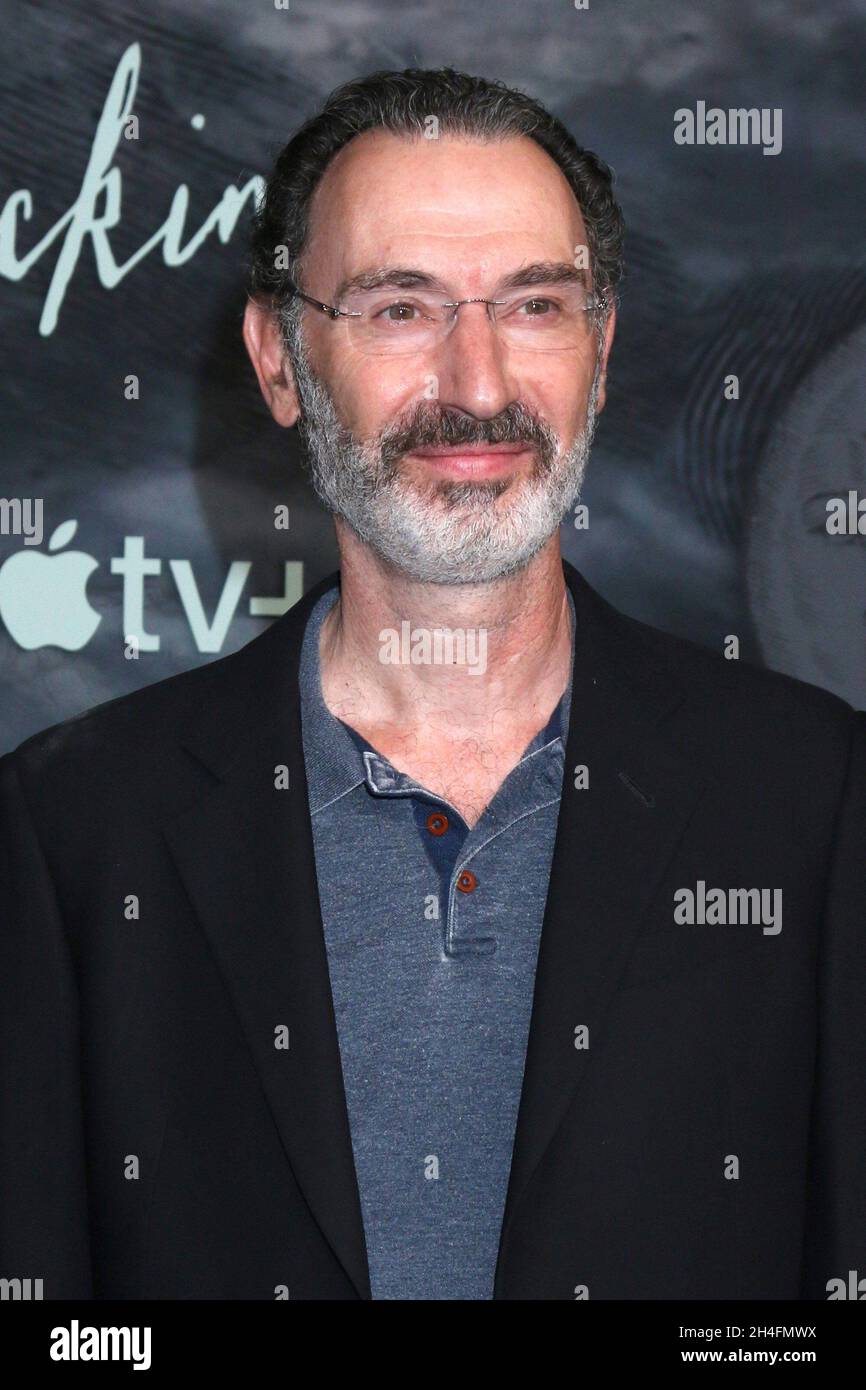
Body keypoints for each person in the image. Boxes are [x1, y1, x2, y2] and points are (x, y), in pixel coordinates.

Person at [1, 68, 864, 1301]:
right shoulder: (70, 829)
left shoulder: (813, 798)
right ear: (282, 359)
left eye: (533, 304)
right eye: (401, 308)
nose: (475, 383)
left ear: (601, 350)